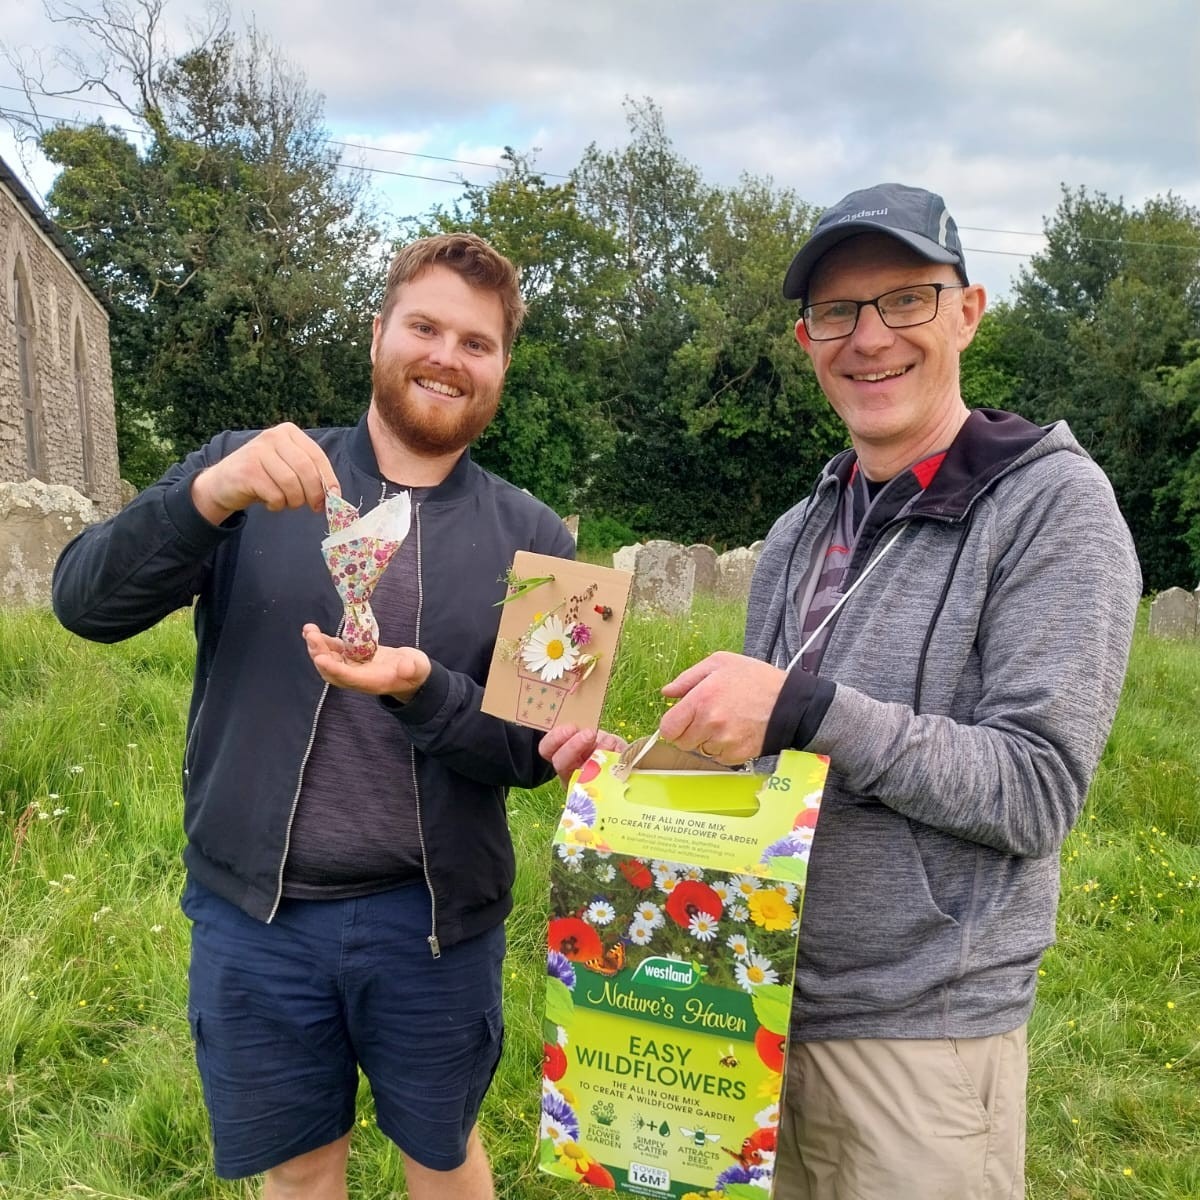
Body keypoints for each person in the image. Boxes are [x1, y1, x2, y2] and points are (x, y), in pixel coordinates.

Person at [542, 183, 1141, 1199]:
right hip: (753, 1010)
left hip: (923, 1046)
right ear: (805, 338)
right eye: (837, 313)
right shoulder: (796, 532)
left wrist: (809, 707)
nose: (869, 338)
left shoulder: (1052, 509)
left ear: (968, 309)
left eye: (904, 298)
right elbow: (765, 771)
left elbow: (1037, 790)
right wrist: (638, 790)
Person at [53, 232, 574, 1200]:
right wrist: (205, 498)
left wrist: (423, 688)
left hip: (436, 925)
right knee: (298, 1171)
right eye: (425, 326)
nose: (446, 357)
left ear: (501, 367)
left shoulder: (537, 537)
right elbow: (84, 605)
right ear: (378, 334)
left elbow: (532, 753)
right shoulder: (252, 476)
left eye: (477, 342)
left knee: (445, 1153)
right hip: (258, 916)